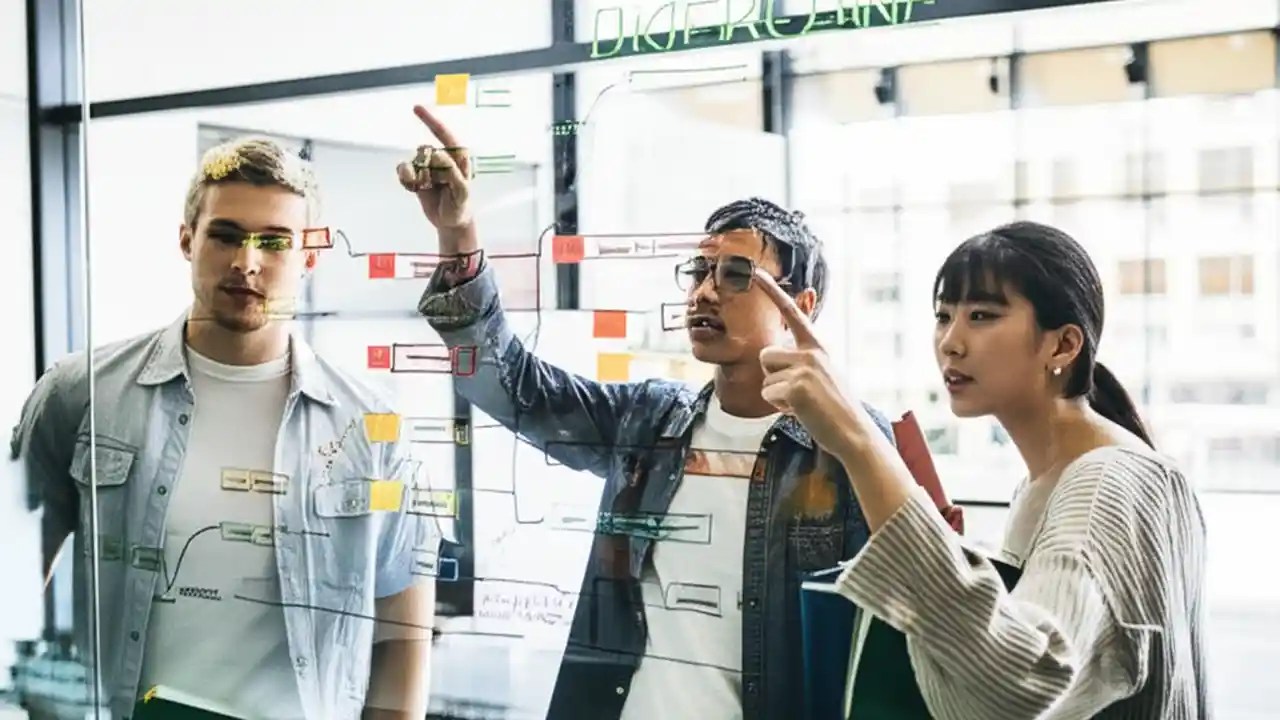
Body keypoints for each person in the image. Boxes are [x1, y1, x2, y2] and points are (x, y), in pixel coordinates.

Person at [398, 105, 895, 720]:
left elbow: (904, 625)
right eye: (700, 271)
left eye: (737, 275)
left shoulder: (852, 446)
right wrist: (460, 233)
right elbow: (514, 385)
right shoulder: (651, 422)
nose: (706, 290)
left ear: (804, 304)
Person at [10, 137, 439, 720]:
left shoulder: (373, 427)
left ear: (309, 256)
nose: (247, 262)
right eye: (227, 235)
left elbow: (402, 634)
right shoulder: (80, 393)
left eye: (274, 242)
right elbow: (13, 581)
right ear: (187, 239)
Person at [754, 220, 1209, 719]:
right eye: (943, 315)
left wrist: (860, 441)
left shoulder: (1105, 484)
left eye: (982, 315)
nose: (951, 341)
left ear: (1063, 345)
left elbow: (1020, 685)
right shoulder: (1053, 480)